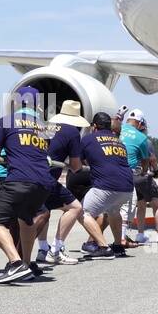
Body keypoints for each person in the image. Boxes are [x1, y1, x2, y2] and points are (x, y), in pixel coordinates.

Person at [0, 86, 56, 284]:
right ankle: (26, 263)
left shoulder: (7, 121)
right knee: (26, 219)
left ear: (16, 102)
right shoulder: (45, 126)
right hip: (43, 183)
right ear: (37, 105)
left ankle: (16, 263)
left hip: (19, 180)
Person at [36, 100, 91, 266]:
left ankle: (43, 249)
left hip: (34, 175)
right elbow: (75, 167)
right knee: (75, 207)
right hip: (49, 178)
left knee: (45, 210)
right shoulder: (72, 132)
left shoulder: (47, 126)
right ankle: (56, 249)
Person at [79, 112, 135, 259]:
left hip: (106, 185)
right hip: (127, 187)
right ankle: (117, 246)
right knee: (113, 211)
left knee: (81, 212)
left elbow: (77, 162)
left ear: (94, 126)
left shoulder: (88, 139)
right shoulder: (118, 141)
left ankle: (102, 246)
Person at [121, 109, 158, 244]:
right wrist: (155, 171)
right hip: (138, 174)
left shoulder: (118, 131)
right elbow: (151, 159)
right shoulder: (143, 139)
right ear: (140, 124)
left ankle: (140, 234)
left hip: (124, 175)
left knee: (141, 204)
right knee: (156, 203)